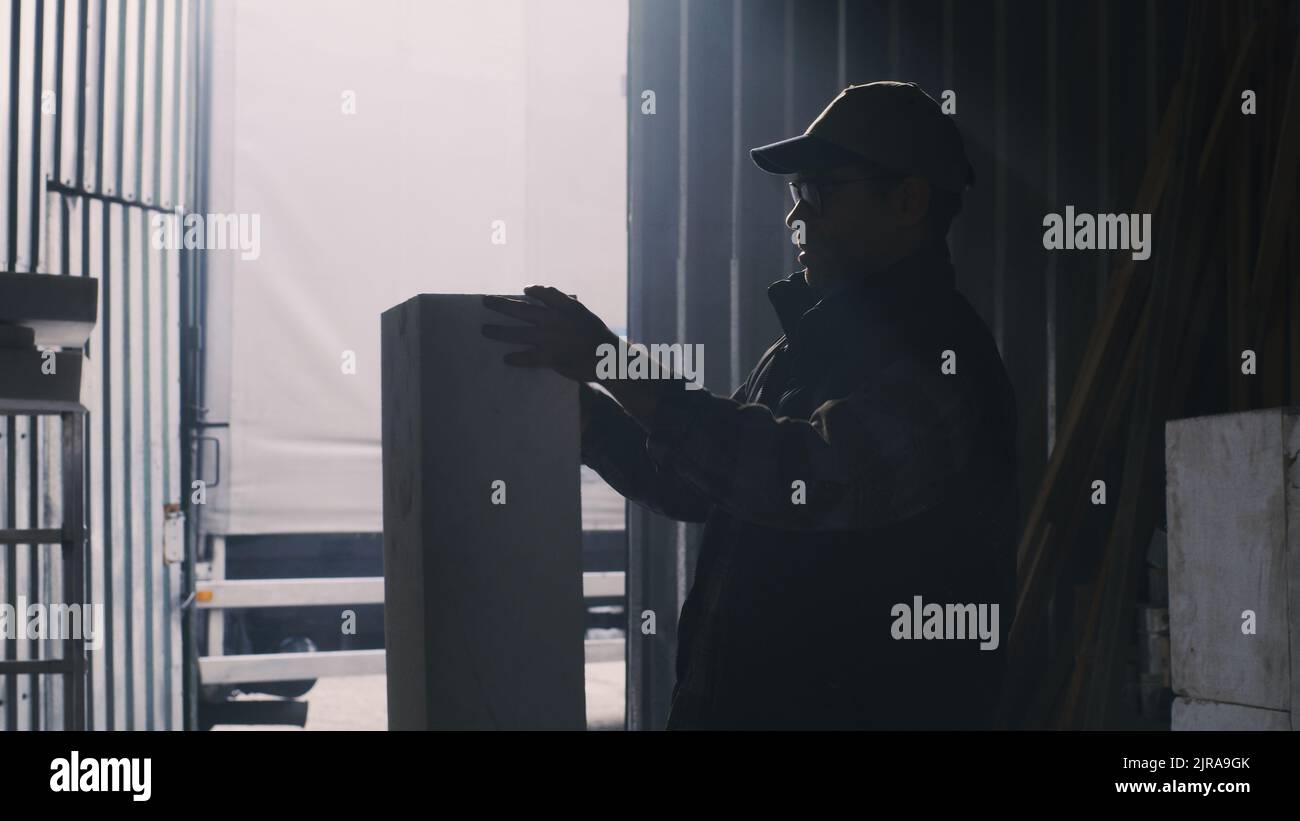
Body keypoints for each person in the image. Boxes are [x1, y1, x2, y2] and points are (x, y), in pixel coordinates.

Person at [482, 81, 1018, 729]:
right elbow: (700, 483)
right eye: (796, 195)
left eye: (818, 192)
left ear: (907, 201)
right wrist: (588, 420)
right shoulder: (806, 346)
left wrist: (609, 361)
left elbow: (808, 476)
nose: (797, 217)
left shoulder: (942, 358)